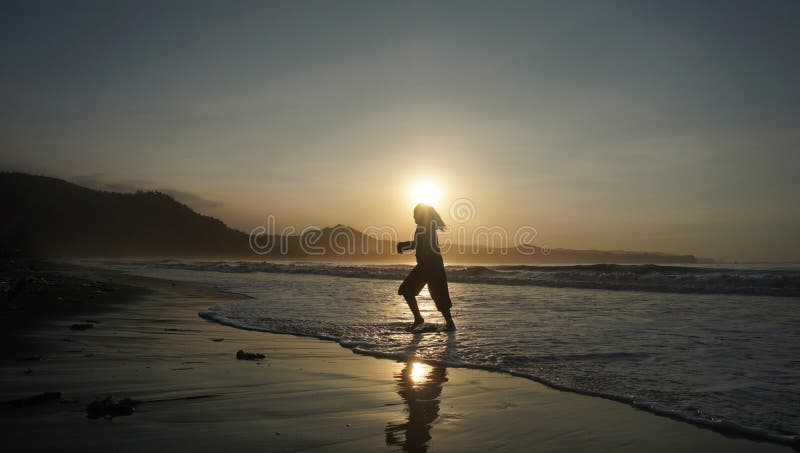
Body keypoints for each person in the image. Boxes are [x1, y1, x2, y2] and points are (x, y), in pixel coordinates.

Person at [397, 203, 455, 330]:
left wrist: (402, 245)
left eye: (415, 214)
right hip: (434, 265)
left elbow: (417, 244)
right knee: (439, 294)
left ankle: (419, 319)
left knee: (407, 290)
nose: (413, 217)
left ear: (421, 215)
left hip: (428, 265)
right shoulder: (429, 227)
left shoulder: (423, 228)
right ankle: (449, 323)